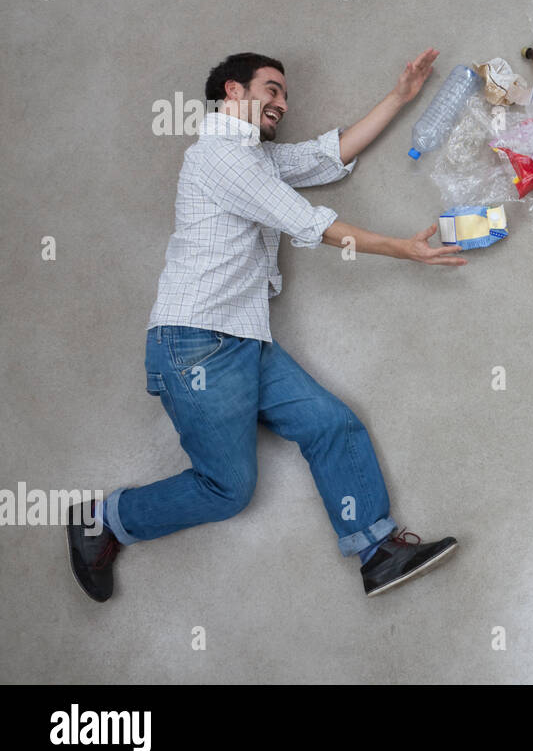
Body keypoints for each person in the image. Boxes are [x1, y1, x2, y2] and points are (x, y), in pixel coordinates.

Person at [67, 50, 469, 601]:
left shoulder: (254, 159)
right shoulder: (219, 157)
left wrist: (401, 96)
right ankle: (105, 518)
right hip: (195, 346)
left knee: (331, 423)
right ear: (233, 92)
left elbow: (329, 156)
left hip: (243, 341)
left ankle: (377, 551)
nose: (282, 102)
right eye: (271, 90)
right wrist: (404, 249)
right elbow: (307, 221)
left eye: (284, 95)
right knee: (228, 491)